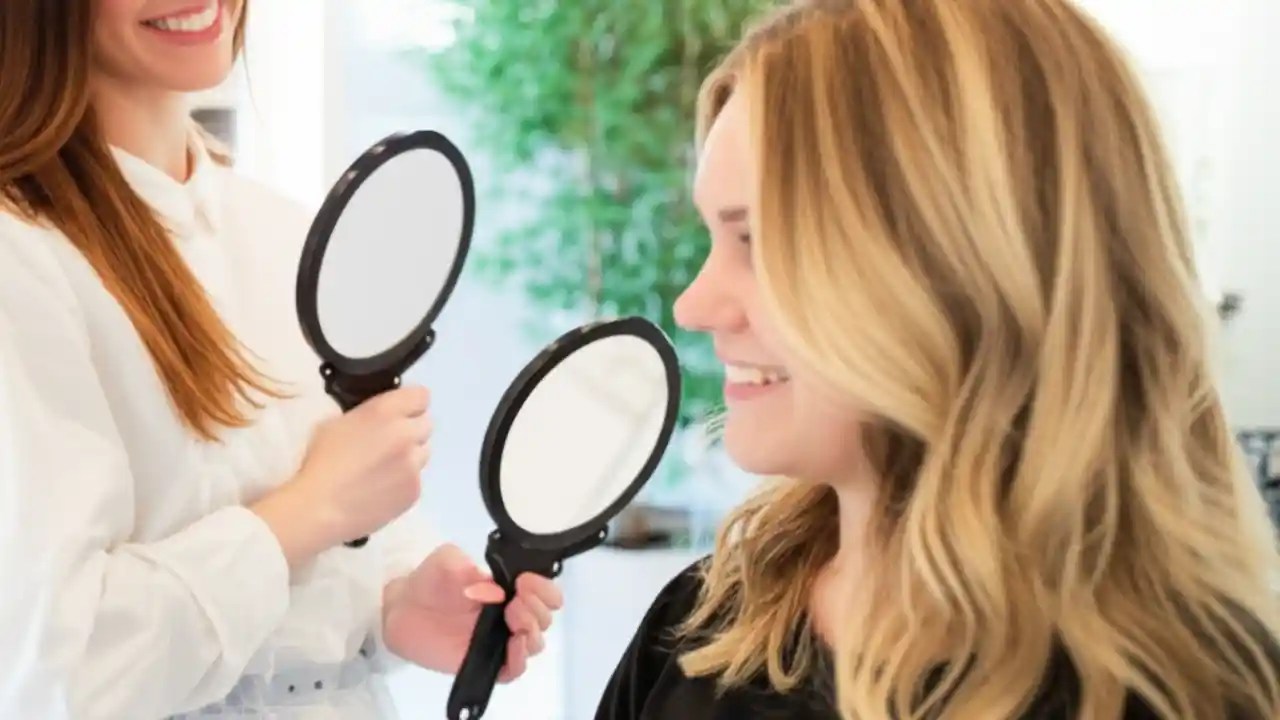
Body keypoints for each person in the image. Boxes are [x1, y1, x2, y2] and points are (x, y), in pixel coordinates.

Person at [595, 0, 1280, 718]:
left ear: (961, 264)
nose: (694, 306)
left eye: (759, 242)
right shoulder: (704, 630)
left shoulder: (1188, 698)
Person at [0, 1, 561, 718]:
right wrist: (310, 510)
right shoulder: (20, 256)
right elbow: (55, 673)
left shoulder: (281, 231)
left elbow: (346, 542)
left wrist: (392, 603)